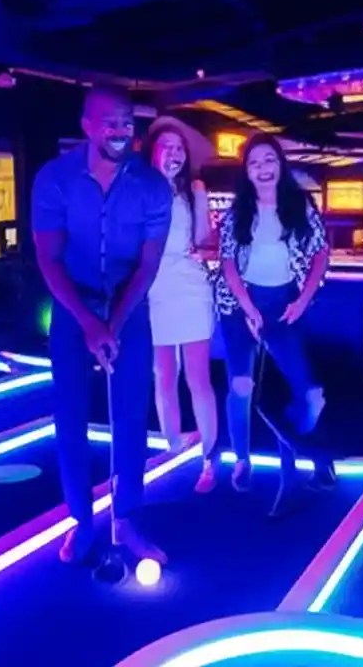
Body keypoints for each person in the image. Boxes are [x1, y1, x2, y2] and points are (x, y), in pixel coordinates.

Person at [31, 84, 172, 566]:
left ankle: (127, 520)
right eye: (109, 121)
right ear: (87, 125)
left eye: (127, 120)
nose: (119, 129)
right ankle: (83, 522)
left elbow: (148, 264)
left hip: (129, 310)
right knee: (70, 416)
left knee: (131, 415)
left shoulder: (153, 186)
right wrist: (90, 323)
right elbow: (49, 260)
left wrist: (113, 322)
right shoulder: (53, 180)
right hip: (72, 309)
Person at [215, 133, 336, 516]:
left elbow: (320, 253)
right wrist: (248, 308)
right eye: (254, 163)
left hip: (284, 303)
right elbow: (229, 263)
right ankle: (241, 458)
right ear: (246, 171)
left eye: (269, 160)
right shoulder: (239, 212)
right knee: (242, 383)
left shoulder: (299, 204)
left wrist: (303, 299)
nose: (263, 169)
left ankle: (311, 451)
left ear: (280, 164)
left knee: (312, 395)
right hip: (238, 303)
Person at [144, 117, 220, 492]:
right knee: (163, 375)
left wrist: (206, 247)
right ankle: (172, 444)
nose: (173, 154)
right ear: (153, 150)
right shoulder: (139, 190)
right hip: (153, 289)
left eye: (179, 149)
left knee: (197, 378)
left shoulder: (195, 190)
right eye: (167, 147)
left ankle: (210, 458)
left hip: (190, 286)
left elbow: (206, 240)